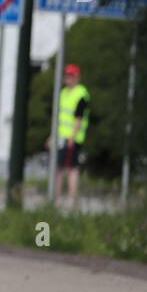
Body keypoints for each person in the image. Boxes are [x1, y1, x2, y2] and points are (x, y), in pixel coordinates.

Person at [54, 63, 90, 207]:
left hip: (72, 138)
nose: (68, 78)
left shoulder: (81, 94)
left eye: (71, 76)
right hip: (61, 136)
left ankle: (71, 199)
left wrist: (72, 138)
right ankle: (56, 198)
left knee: (71, 168)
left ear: (77, 77)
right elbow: (60, 117)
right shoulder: (63, 93)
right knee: (59, 167)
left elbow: (79, 118)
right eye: (67, 75)